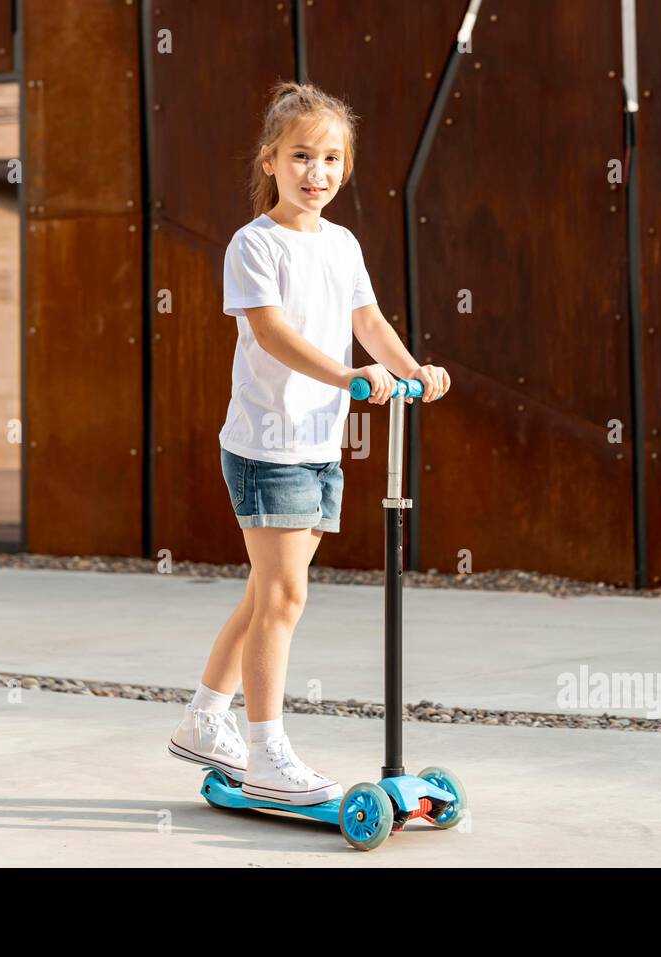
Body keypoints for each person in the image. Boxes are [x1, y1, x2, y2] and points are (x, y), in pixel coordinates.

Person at [168, 80, 450, 806]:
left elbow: (371, 323)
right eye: (300, 156)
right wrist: (348, 376)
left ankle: (205, 716)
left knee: (268, 592)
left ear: (344, 168)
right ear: (270, 160)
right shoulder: (253, 245)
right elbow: (272, 333)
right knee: (286, 597)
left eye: (329, 159)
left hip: (319, 444)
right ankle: (266, 752)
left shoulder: (344, 243)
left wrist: (412, 370)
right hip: (267, 444)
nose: (314, 172)